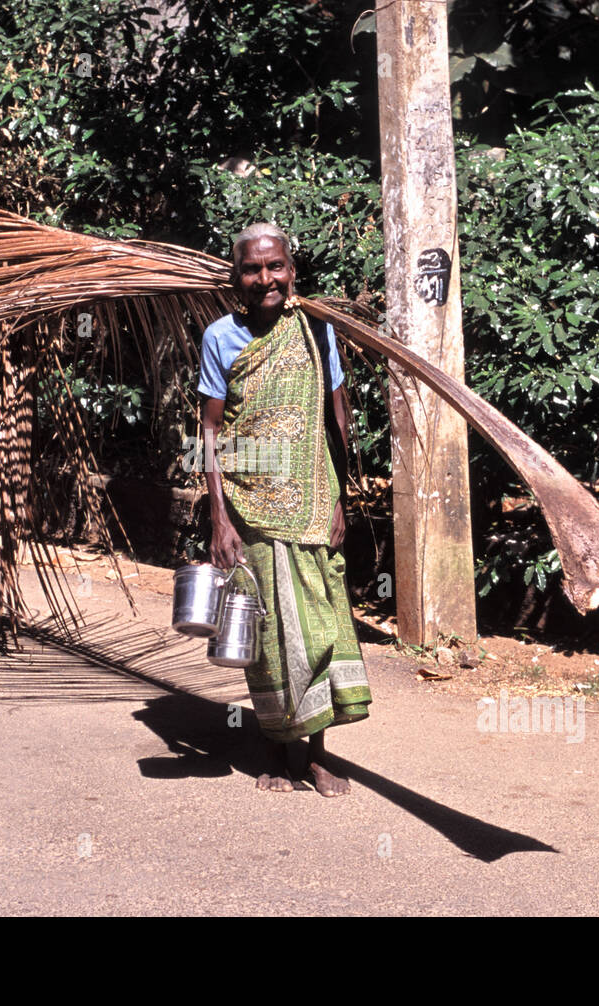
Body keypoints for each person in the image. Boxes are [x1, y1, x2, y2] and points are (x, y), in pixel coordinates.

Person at [198, 222, 372, 797]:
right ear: (236, 277)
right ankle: (275, 747)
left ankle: (318, 753)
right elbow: (210, 431)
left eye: (276, 267)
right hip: (249, 506)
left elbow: (336, 416)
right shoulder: (221, 338)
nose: (265, 278)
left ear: (292, 271)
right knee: (269, 634)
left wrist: (341, 494)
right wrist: (219, 517)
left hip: (314, 501)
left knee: (321, 626)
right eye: (253, 269)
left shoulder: (319, 330)